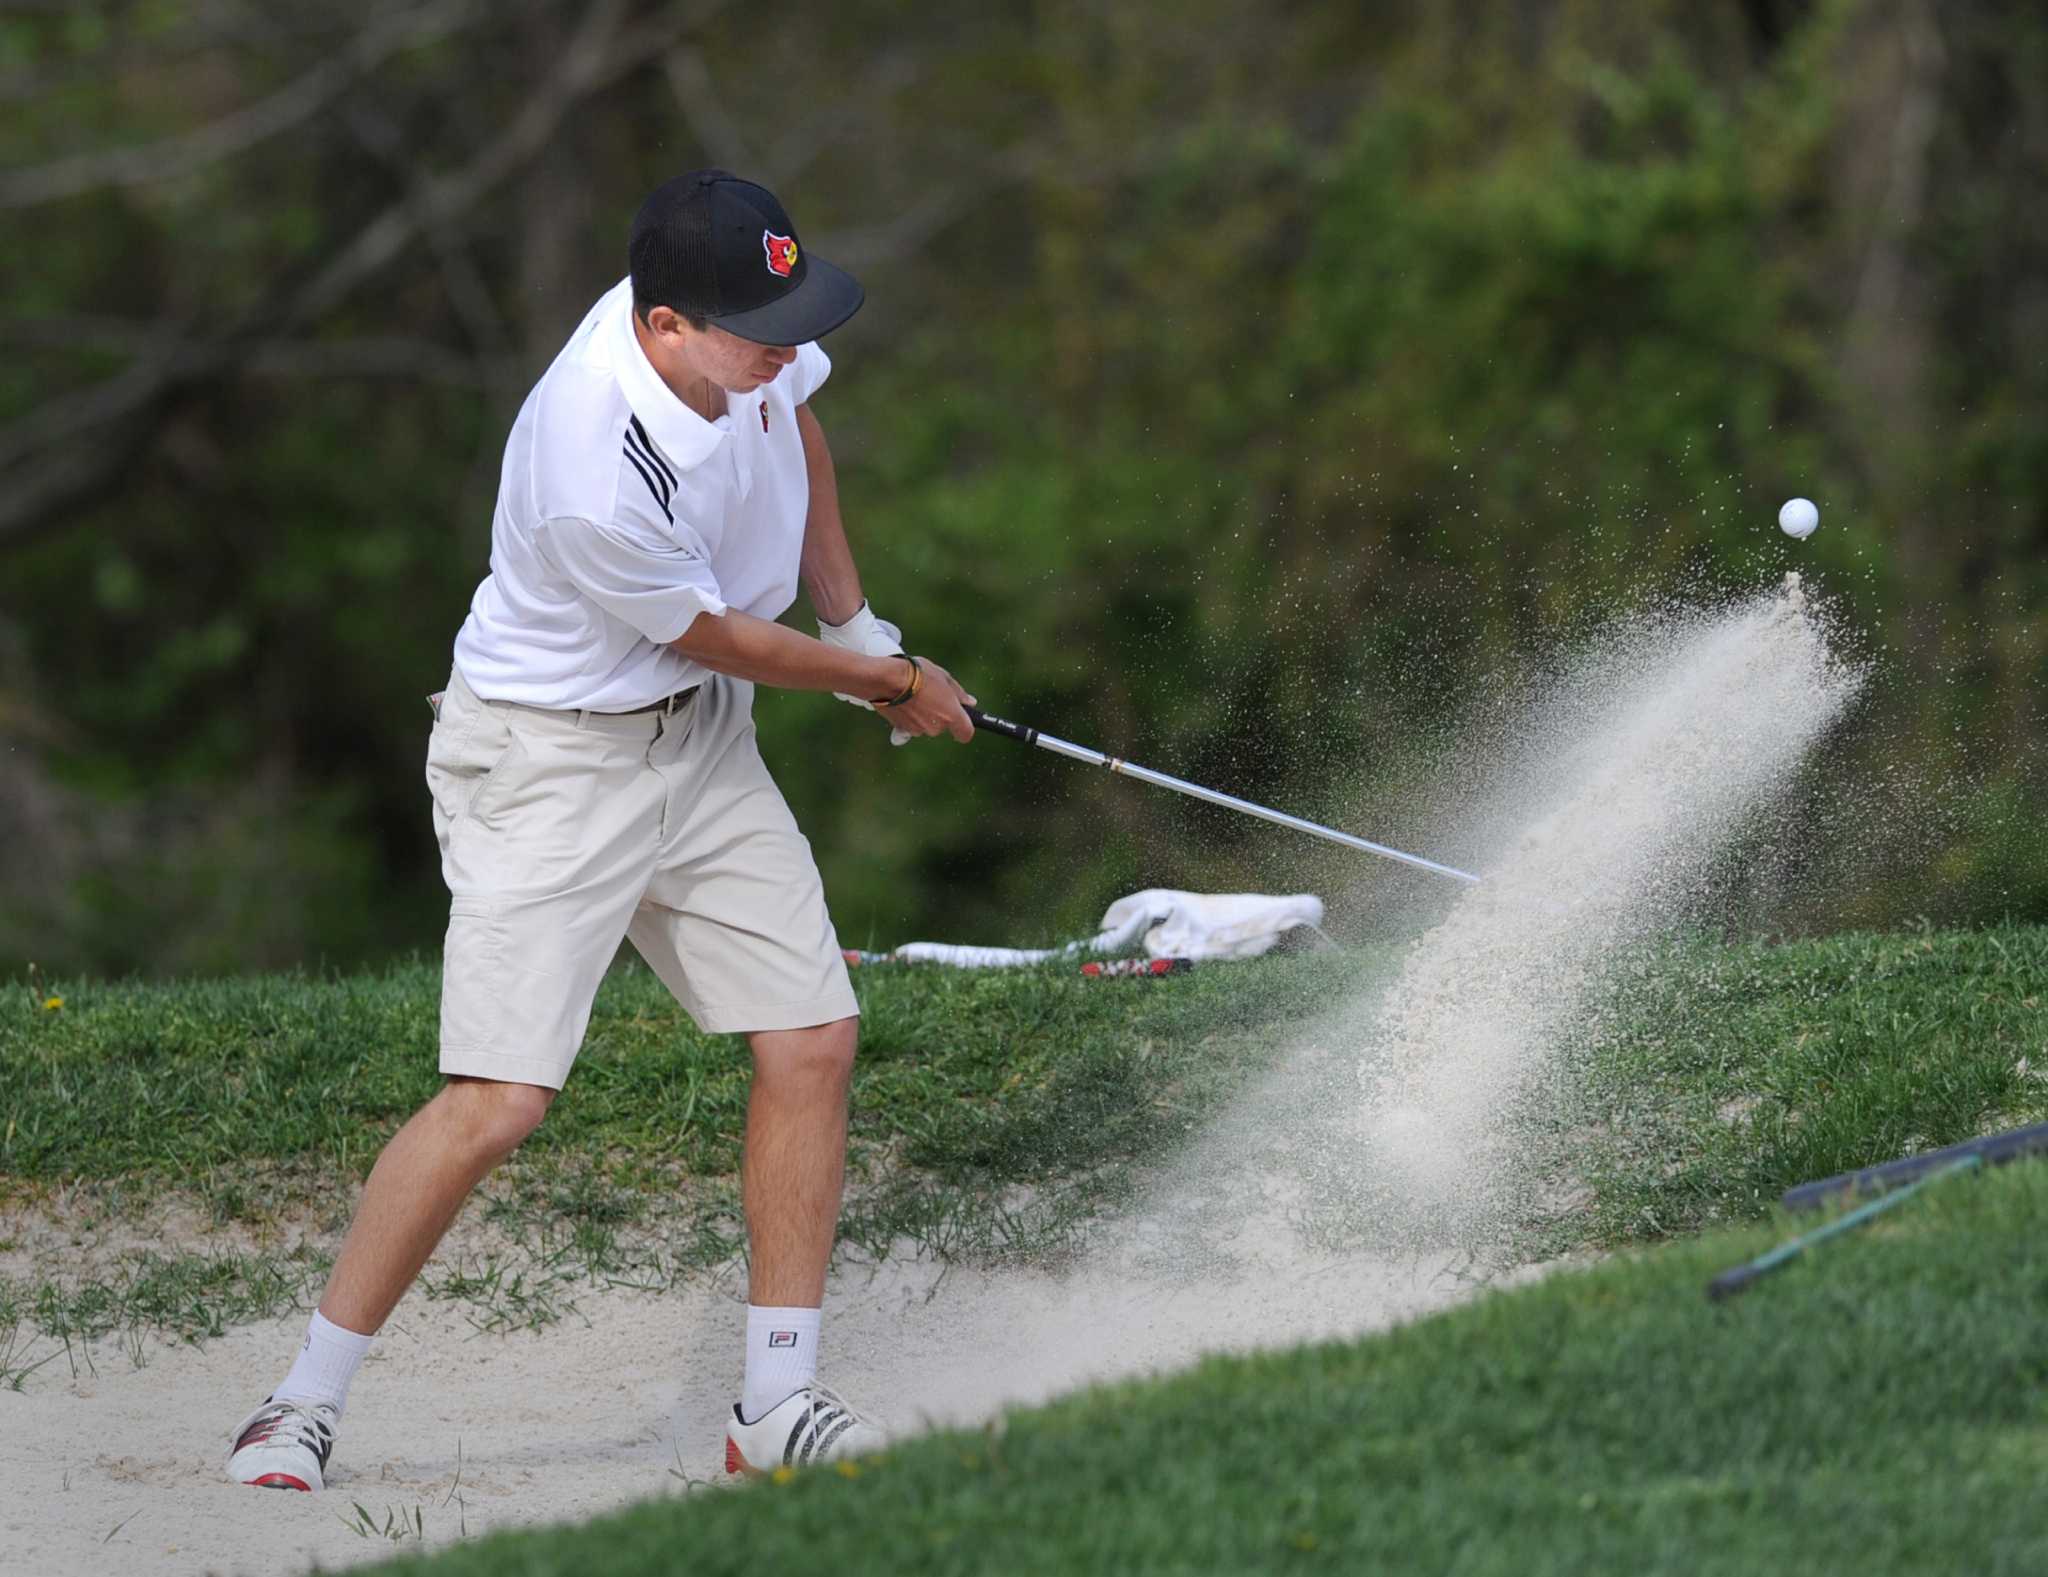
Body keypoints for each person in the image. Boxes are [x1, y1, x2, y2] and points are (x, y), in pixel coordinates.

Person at [225, 170, 976, 1491]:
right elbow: (715, 630)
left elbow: (798, 430)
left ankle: (776, 1405)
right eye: (760, 327)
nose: (788, 348)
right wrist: (889, 687)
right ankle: (299, 1401)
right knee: (500, 1099)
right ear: (667, 325)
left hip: (698, 743)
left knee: (810, 1037)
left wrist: (864, 629)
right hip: (549, 761)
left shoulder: (751, 350)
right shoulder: (589, 457)